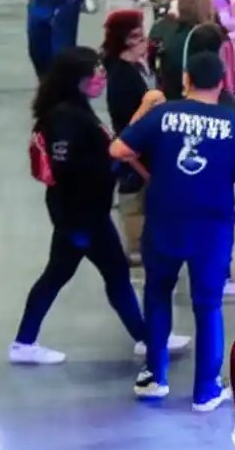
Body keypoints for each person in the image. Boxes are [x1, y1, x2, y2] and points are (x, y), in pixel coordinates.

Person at [14, 47, 188, 365]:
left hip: (87, 211)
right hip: (78, 214)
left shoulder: (77, 110)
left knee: (104, 273)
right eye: (92, 74)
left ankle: (144, 337)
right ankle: (25, 342)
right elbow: (68, 166)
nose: (99, 79)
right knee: (74, 273)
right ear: (76, 80)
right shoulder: (65, 117)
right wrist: (111, 165)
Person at [111, 52, 235, 411]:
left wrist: (151, 169)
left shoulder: (163, 115)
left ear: (186, 79)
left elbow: (118, 148)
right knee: (208, 306)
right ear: (223, 83)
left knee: (158, 295)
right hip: (212, 227)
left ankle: (155, 377)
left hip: (165, 221)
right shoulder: (233, 124)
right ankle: (206, 390)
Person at [102, 9, 157, 260]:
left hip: (139, 149)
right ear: (125, 39)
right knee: (134, 200)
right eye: (137, 35)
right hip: (135, 152)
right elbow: (128, 123)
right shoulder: (123, 77)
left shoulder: (131, 68)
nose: (143, 40)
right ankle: (136, 250)